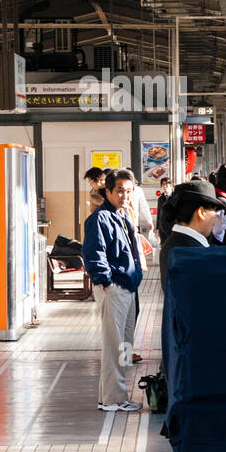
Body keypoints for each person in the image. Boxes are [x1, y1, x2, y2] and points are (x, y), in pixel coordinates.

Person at [82, 168, 144, 412]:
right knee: (114, 345)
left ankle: (114, 395)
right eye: (119, 191)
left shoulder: (122, 215)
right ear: (107, 191)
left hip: (128, 286)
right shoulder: (99, 218)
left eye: (129, 191)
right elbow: (93, 254)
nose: (125, 196)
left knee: (124, 345)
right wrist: (105, 281)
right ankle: (112, 399)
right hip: (114, 288)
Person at [159, 180, 224, 291]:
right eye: (214, 210)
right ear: (201, 213)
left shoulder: (174, 243)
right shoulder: (193, 251)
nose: (216, 216)